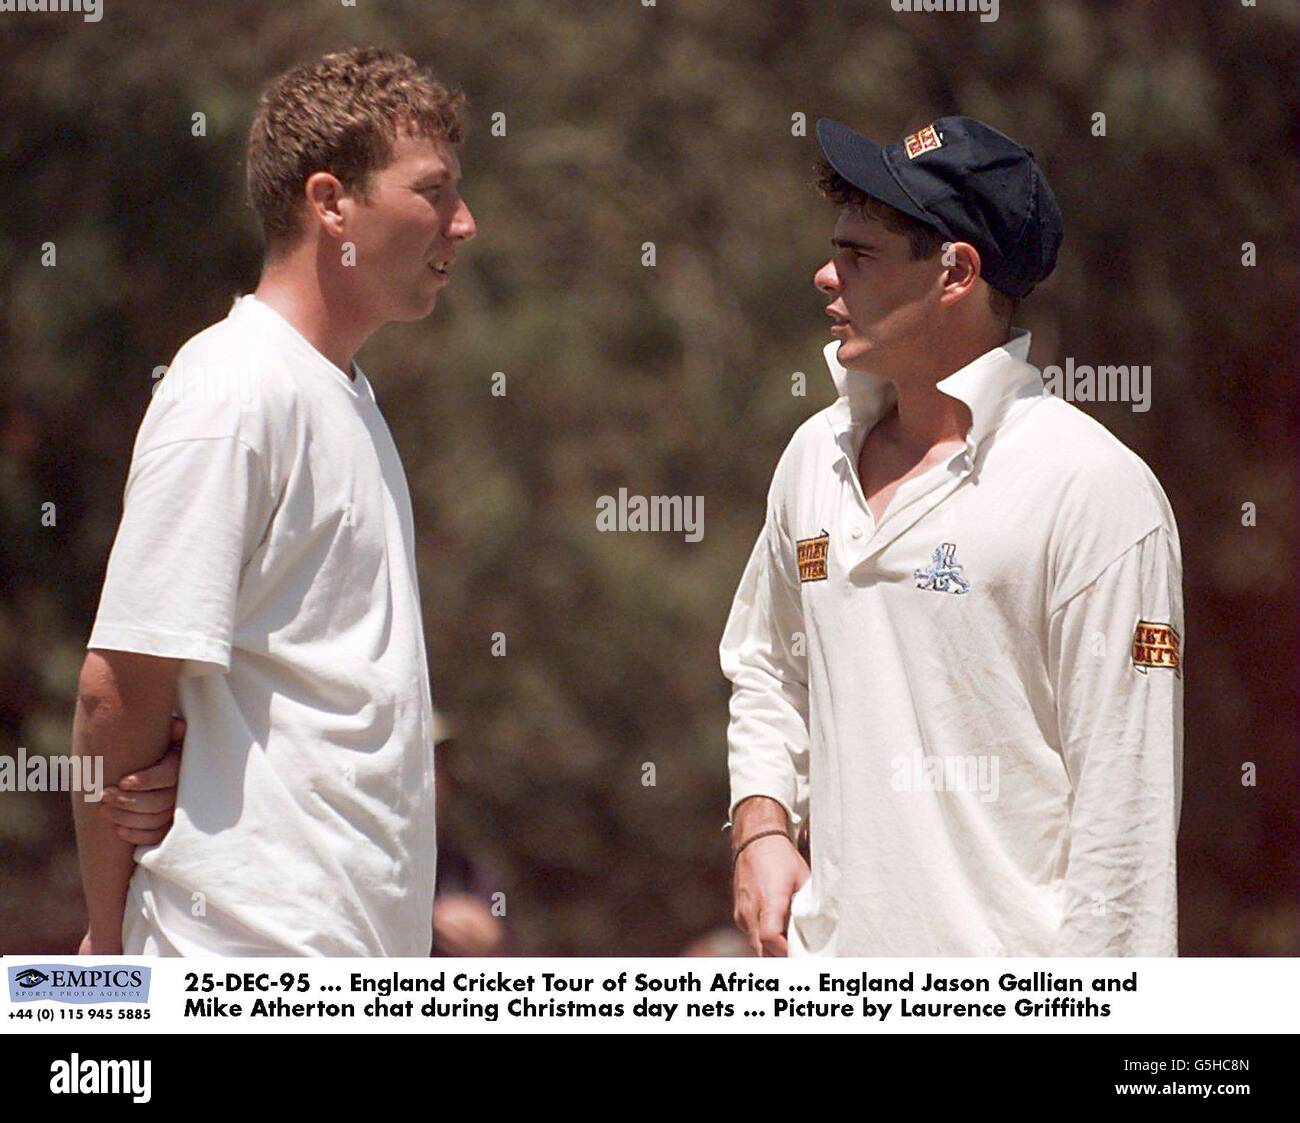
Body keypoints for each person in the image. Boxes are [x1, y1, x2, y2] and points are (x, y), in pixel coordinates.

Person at [722, 116, 1183, 957]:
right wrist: (761, 823)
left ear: (955, 273)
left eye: (859, 255)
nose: (826, 275)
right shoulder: (811, 458)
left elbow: (1126, 822)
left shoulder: (1094, 490)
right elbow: (765, 665)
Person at [71, 46, 476, 956]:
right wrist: (106, 943)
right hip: (238, 963)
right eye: (435, 191)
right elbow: (116, 689)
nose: (464, 223)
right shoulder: (232, 388)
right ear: (331, 203)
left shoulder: (344, 395)